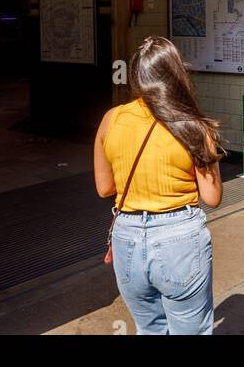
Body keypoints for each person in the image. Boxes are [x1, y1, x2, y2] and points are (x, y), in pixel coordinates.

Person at [93, 35, 225, 335]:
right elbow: (212, 196)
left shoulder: (111, 119)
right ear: (177, 74)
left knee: (150, 329)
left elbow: (104, 188)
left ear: (137, 76)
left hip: (127, 240)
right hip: (178, 239)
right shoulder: (193, 125)